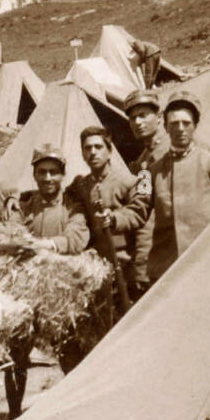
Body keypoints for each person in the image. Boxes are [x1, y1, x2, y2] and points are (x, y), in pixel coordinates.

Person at [0, 145, 93, 420]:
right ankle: (14, 414)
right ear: (34, 175)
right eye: (42, 172)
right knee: (16, 355)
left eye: (53, 173)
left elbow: (76, 238)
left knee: (70, 354)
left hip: (60, 294)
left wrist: (42, 244)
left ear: (63, 175)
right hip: (26, 293)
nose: (47, 178)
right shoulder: (23, 204)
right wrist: (11, 241)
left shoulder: (73, 206)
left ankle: (74, 412)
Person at [129, 90, 210, 285]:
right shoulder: (145, 169)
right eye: (174, 124)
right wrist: (114, 218)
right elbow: (137, 208)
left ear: (195, 126)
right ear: (167, 127)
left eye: (186, 123)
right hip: (165, 267)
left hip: (204, 261)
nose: (180, 129)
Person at [66, 125, 148, 298]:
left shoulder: (130, 182)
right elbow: (57, 193)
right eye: (87, 148)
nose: (93, 152)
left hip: (125, 262)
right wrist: (12, 197)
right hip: (97, 266)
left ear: (110, 152)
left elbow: (138, 212)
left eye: (98, 147)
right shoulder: (81, 185)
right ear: (82, 154)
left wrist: (115, 218)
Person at [124, 88, 169, 297]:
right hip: (157, 252)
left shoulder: (172, 150)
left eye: (143, 115)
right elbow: (144, 212)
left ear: (159, 117)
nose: (137, 122)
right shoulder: (142, 162)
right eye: (133, 118)